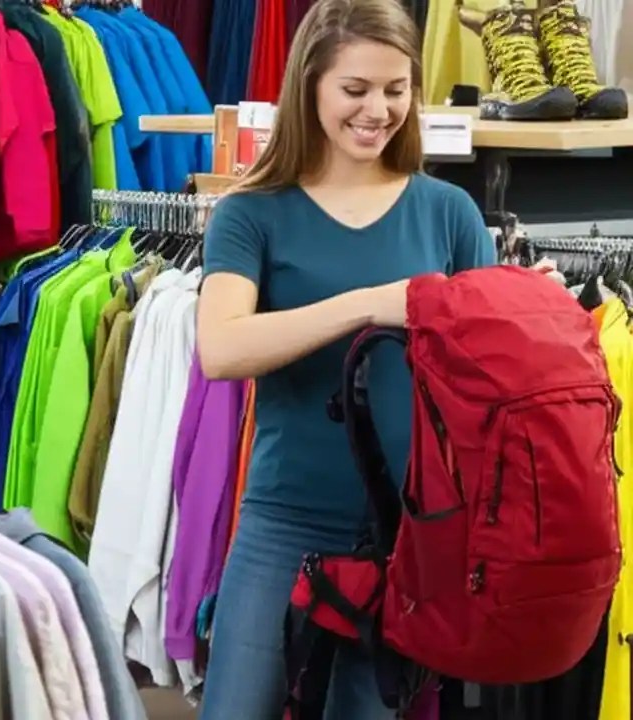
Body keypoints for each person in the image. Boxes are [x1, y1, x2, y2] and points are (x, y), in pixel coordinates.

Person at [194, 0, 496, 718]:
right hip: (285, 523)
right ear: (311, 87)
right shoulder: (252, 213)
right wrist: (369, 304)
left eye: (396, 90)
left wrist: (524, 318)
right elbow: (222, 347)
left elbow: (485, 381)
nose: (378, 110)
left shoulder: (449, 213)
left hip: (412, 534)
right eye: (355, 90)